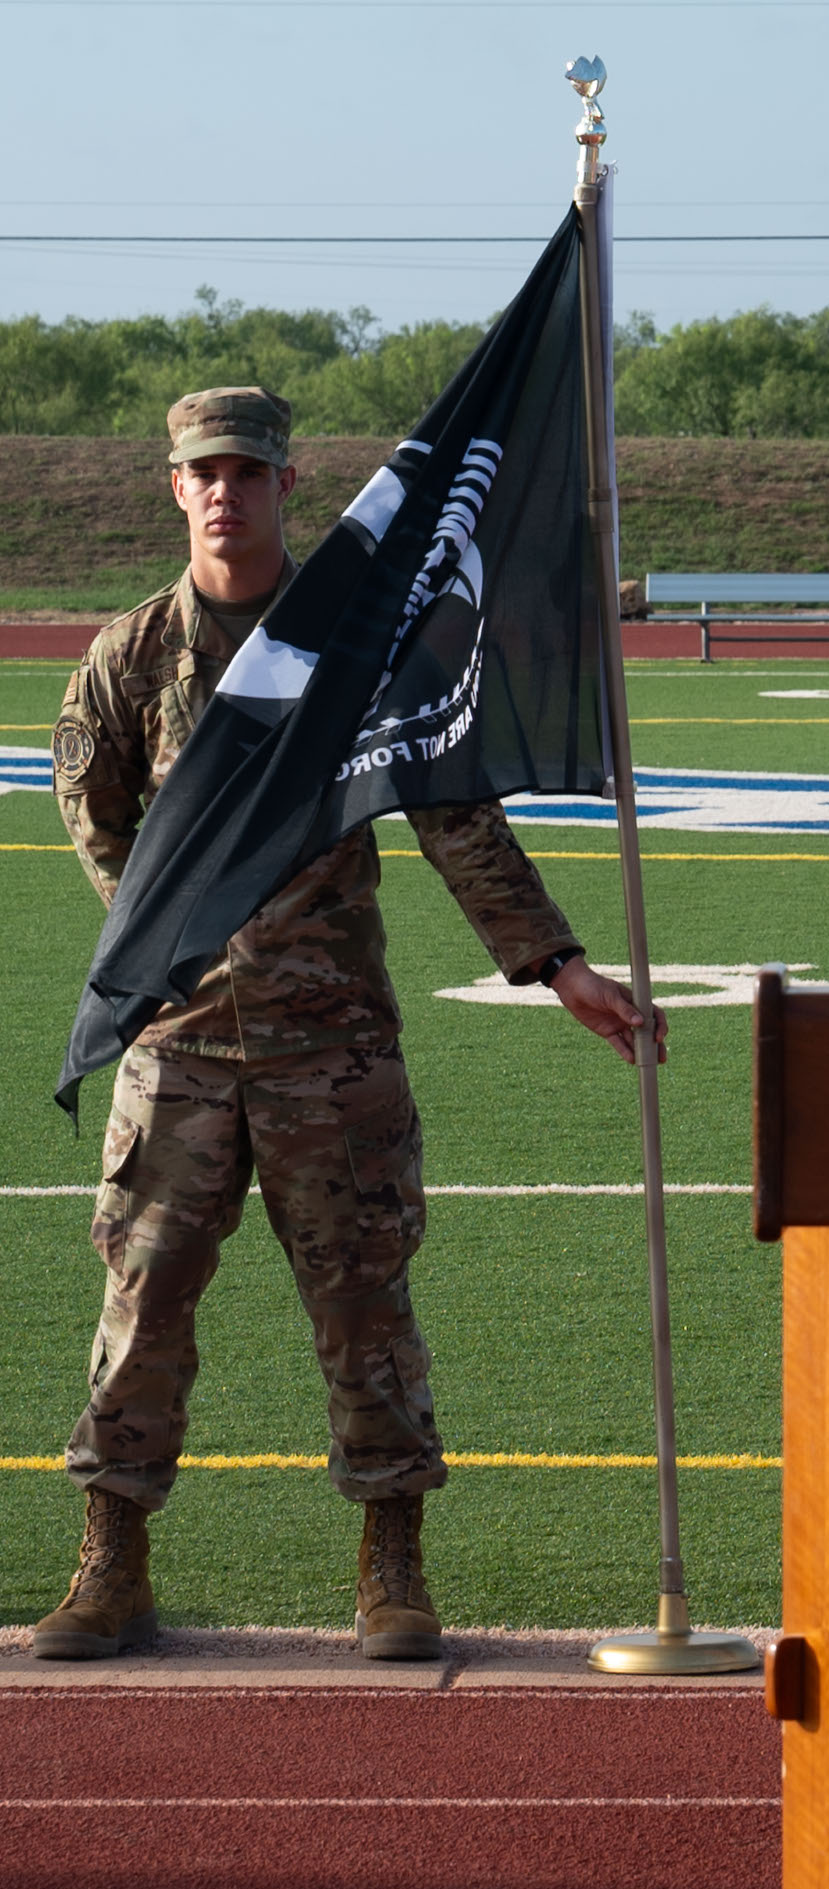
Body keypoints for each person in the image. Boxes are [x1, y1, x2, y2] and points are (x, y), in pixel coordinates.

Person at [36, 385, 660, 1665]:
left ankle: (391, 1562)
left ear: (286, 485)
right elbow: (92, 806)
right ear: (175, 487)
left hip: (334, 1048)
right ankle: (112, 1560)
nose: (226, 491)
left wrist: (557, 965)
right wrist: (169, 933)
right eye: (203, 471)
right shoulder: (132, 654)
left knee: (363, 1301)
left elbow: (456, 814)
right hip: (182, 1047)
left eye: (248, 472)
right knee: (142, 1302)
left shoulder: (359, 650)